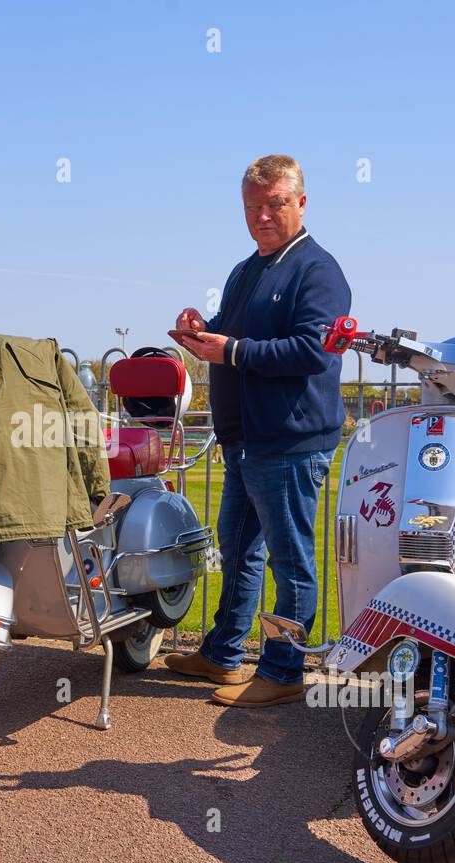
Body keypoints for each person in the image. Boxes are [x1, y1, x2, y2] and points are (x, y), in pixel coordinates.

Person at [164, 154, 351, 708]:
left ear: (301, 202)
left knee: (289, 561)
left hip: (290, 442)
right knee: (239, 549)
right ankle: (223, 656)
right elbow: (234, 337)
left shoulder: (318, 269)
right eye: (253, 207)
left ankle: (283, 671)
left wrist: (233, 348)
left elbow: (315, 349)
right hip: (245, 441)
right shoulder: (246, 270)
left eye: (274, 204)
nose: (262, 216)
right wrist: (204, 332)